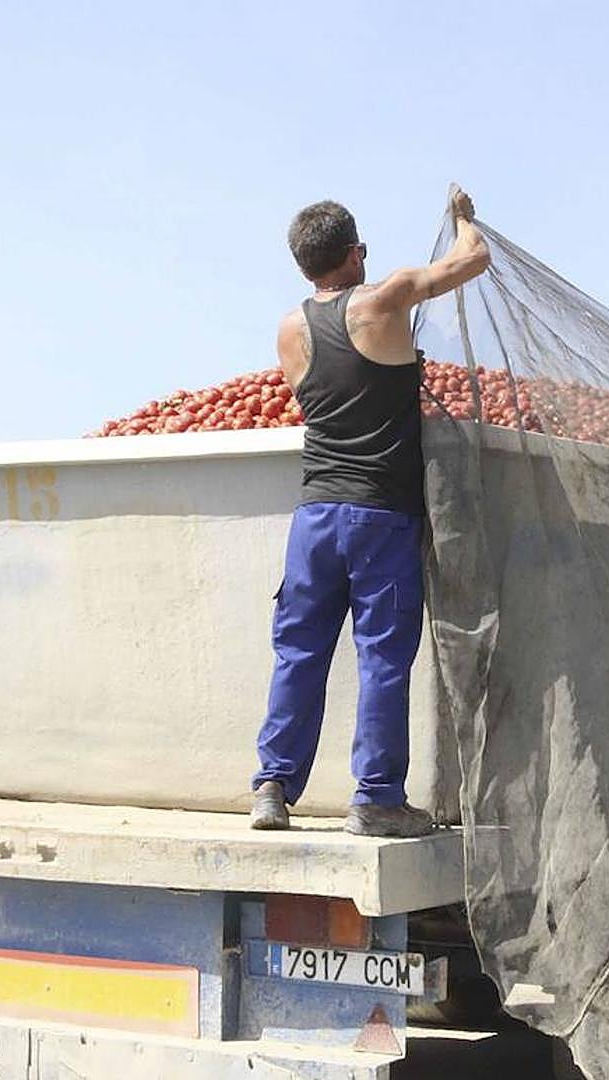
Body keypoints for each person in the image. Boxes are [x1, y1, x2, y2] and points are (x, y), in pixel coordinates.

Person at [251, 187, 491, 837]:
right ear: (356, 252)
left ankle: (273, 787)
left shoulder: (289, 329)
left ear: (305, 266)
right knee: (383, 657)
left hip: (315, 516)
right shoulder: (385, 297)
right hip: (380, 513)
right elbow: (473, 262)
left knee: (299, 651)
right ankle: (377, 799)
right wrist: (464, 217)